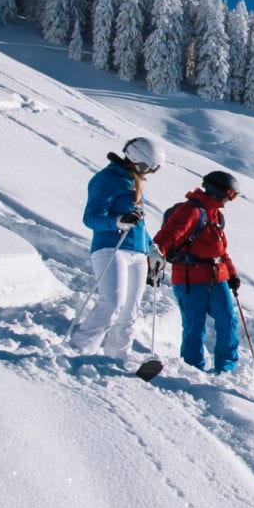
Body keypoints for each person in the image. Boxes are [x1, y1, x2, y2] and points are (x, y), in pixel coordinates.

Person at [70, 137, 161, 361]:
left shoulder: (134, 181)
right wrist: (117, 221)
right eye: (147, 167)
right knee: (112, 303)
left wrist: (152, 248)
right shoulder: (106, 180)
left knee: (130, 310)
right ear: (135, 158)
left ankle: (118, 355)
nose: (148, 173)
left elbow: (138, 222)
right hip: (111, 247)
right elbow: (91, 218)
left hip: (137, 251)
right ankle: (80, 349)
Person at [155, 171, 243, 372]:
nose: (230, 200)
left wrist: (232, 273)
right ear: (219, 191)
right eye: (230, 195)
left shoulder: (216, 215)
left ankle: (226, 368)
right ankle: (192, 368)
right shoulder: (191, 211)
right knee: (195, 325)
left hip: (216, 276)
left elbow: (220, 250)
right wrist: (156, 254)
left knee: (228, 320)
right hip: (189, 278)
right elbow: (168, 235)